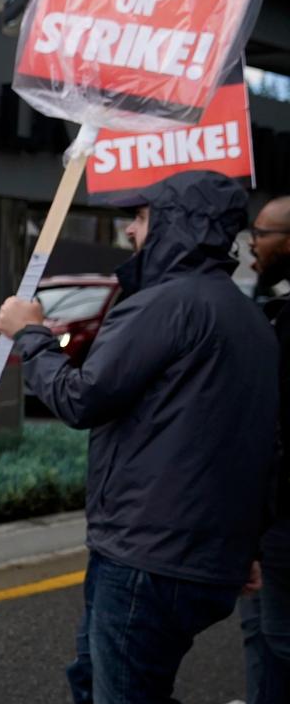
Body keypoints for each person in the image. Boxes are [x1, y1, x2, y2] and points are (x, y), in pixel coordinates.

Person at [0, 172, 279, 704]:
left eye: (143, 217)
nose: (130, 230)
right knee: (93, 676)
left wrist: (30, 334)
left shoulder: (164, 305)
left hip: (147, 560)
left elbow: (80, 398)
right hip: (201, 558)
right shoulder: (251, 320)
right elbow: (264, 445)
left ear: (180, 224)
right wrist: (246, 544)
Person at [247, 195, 290, 704]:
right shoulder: (267, 303)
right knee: (259, 633)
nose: (252, 243)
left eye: (262, 233)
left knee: (279, 640)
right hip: (263, 515)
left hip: (282, 516)